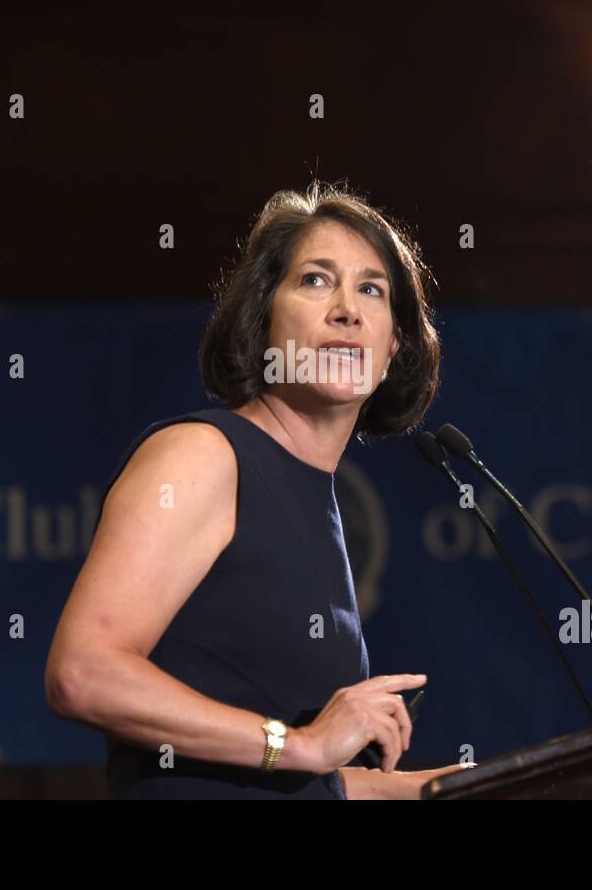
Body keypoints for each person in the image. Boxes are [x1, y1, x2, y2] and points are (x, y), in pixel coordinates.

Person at [45, 179, 465, 798]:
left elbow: (303, 784)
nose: (348, 308)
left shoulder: (314, 499)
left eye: (371, 289)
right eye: (316, 280)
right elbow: (82, 674)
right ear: (263, 318)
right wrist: (296, 744)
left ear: (393, 347)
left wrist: (472, 788)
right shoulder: (204, 455)